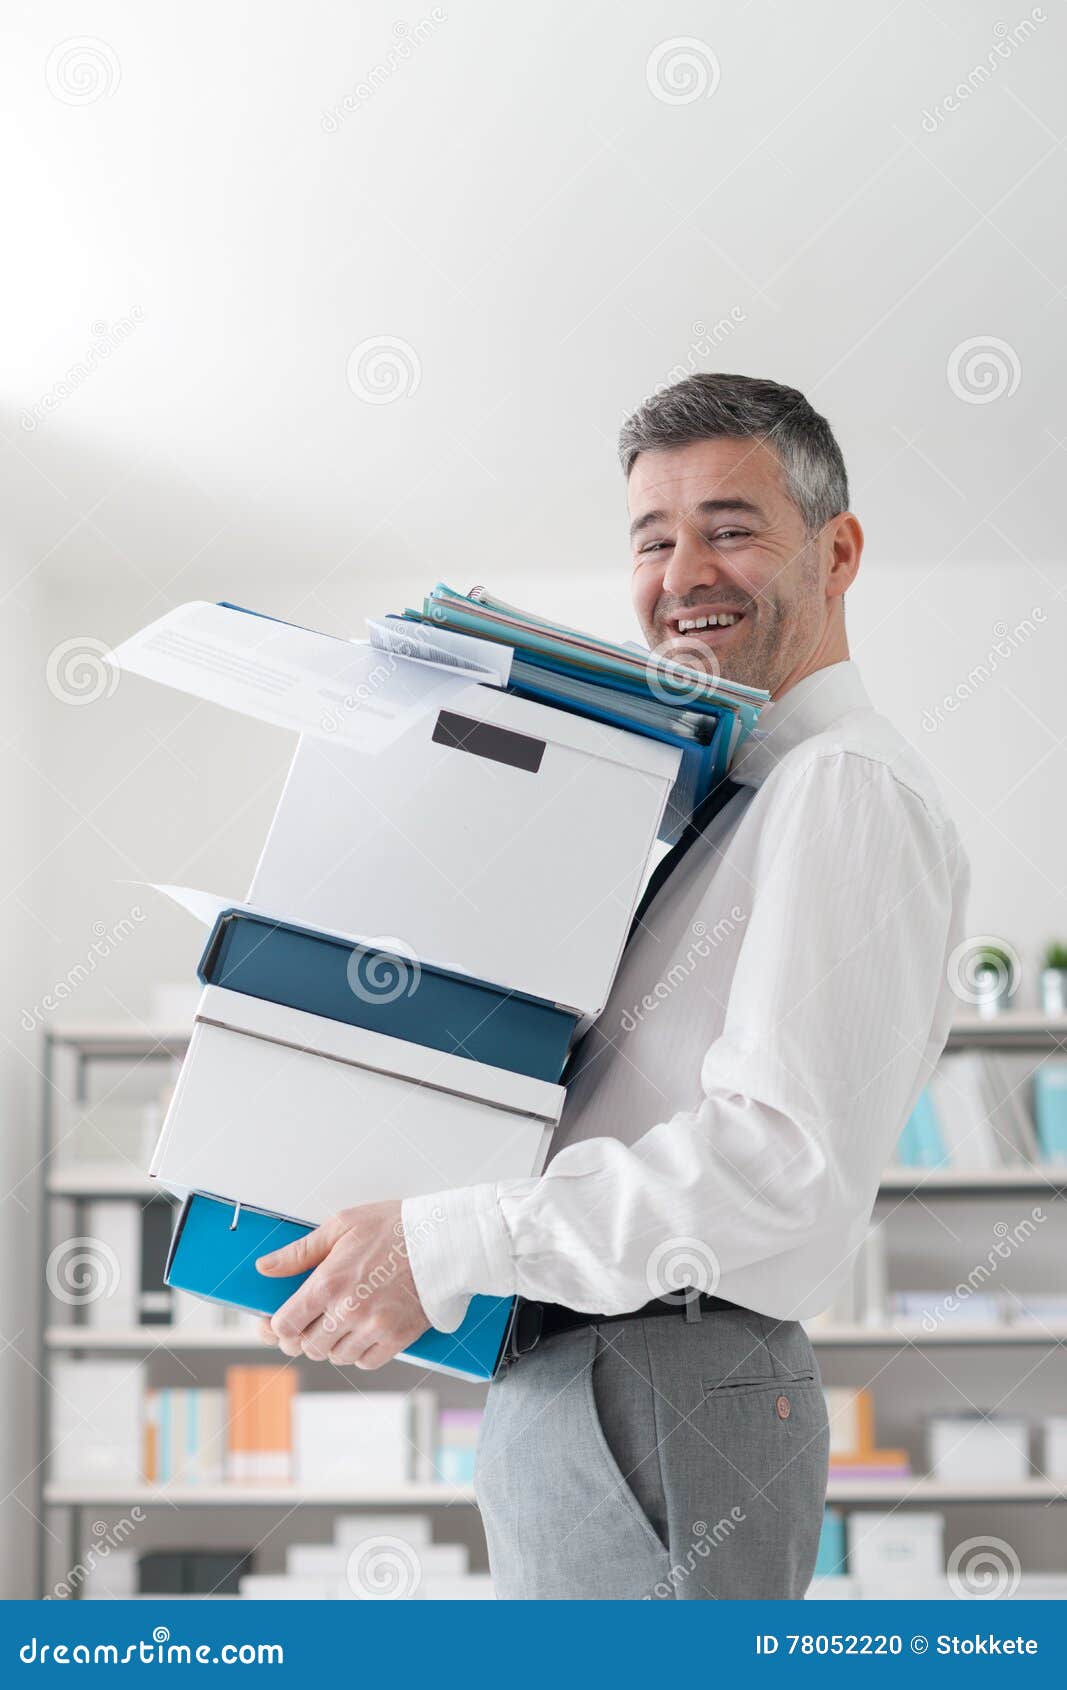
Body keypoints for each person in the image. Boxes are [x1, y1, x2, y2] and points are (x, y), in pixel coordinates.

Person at [256, 373, 969, 1600]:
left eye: (730, 529)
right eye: (652, 540)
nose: (683, 574)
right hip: (593, 1372)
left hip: (660, 1382)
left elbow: (778, 1168)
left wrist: (447, 1236)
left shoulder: (840, 789)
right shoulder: (736, 796)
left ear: (836, 550)